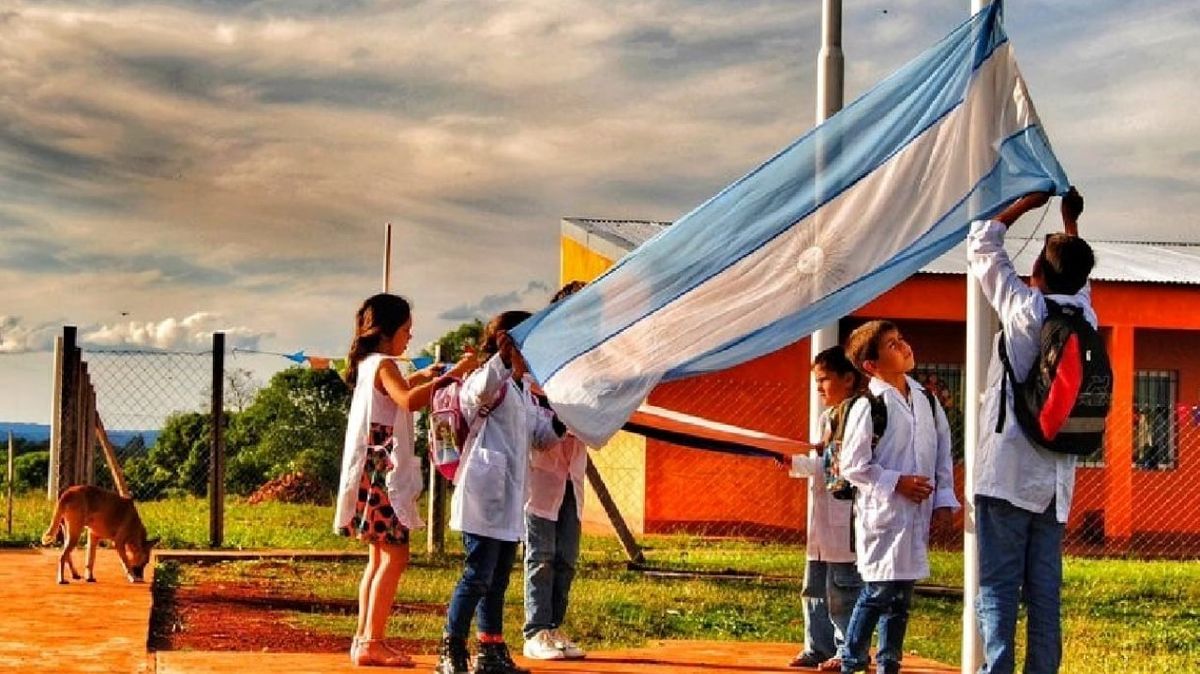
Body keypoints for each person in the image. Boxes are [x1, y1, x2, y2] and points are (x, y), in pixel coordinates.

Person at [968, 187, 1094, 674]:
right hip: (1057, 482)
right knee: (1045, 597)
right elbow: (1075, 277)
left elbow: (983, 241)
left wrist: (1025, 202)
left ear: (1037, 273)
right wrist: (1069, 221)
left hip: (1006, 474)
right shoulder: (1085, 315)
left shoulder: (1023, 311)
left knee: (998, 589)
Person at [334, 293, 475, 668]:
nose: (410, 338)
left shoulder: (371, 364)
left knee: (379, 557)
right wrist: (453, 375)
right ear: (388, 331)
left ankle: (364, 638)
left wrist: (425, 376)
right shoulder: (383, 364)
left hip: (370, 469)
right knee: (395, 556)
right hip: (383, 471)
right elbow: (408, 401)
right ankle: (372, 641)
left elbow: (395, 392)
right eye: (407, 330)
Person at [436, 311, 566, 674]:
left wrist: (562, 418)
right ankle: (451, 648)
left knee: (498, 578)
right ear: (509, 344)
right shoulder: (488, 379)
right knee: (477, 574)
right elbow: (474, 396)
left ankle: (490, 650)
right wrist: (504, 360)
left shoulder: (524, 389)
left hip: (509, 499)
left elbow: (541, 436)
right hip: (483, 493)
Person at [839, 321, 959, 674]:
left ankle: (889, 663)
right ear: (871, 366)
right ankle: (852, 661)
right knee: (877, 592)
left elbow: (942, 452)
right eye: (892, 345)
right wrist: (897, 483)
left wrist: (943, 500)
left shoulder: (926, 399)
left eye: (901, 340)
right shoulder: (869, 405)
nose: (904, 347)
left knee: (900, 599)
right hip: (884, 515)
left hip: (916, 514)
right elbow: (853, 465)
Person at [787, 346, 866, 671]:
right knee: (814, 588)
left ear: (848, 379)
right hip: (822, 522)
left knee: (842, 591)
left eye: (824, 380)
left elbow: (841, 467)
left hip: (844, 519)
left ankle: (847, 649)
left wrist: (799, 462)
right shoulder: (827, 417)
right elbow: (823, 463)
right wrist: (791, 459)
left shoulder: (857, 414)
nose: (819, 388)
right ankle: (816, 647)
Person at [523, 281, 590, 661]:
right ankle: (536, 631)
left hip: (571, 475)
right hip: (542, 474)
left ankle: (555, 625)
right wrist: (565, 419)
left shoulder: (590, 365)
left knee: (566, 557)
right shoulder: (539, 364)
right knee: (541, 555)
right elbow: (535, 431)